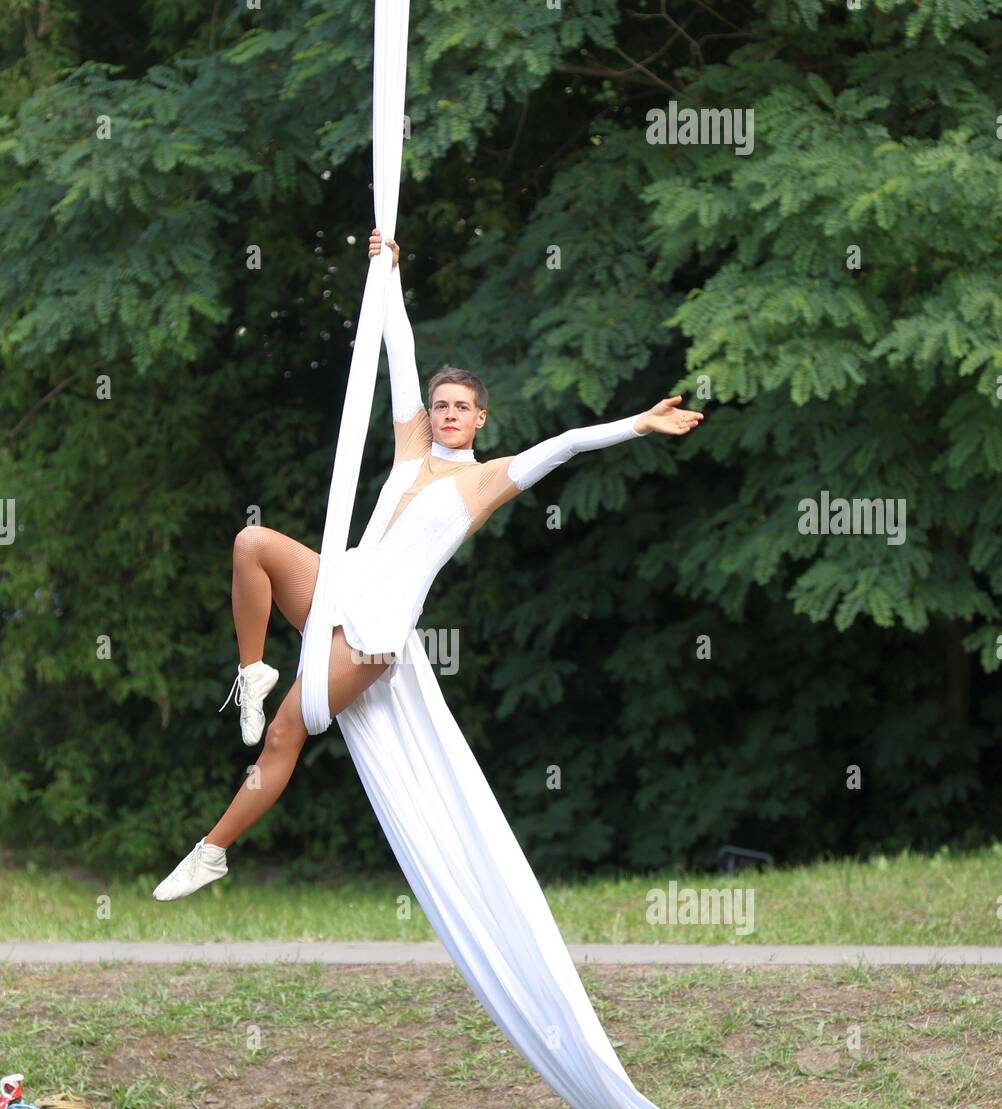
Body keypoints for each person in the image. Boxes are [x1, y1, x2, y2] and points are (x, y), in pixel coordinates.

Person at [153, 229, 703, 900]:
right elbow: (400, 354)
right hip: (340, 583)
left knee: (284, 734)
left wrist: (637, 425)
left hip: (374, 632)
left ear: (480, 421)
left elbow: (564, 445)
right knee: (251, 545)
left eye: (461, 408)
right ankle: (253, 669)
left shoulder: (486, 481)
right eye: (441, 405)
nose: (446, 413)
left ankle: (213, 851)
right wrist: (387, 273)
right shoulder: (411, 447)